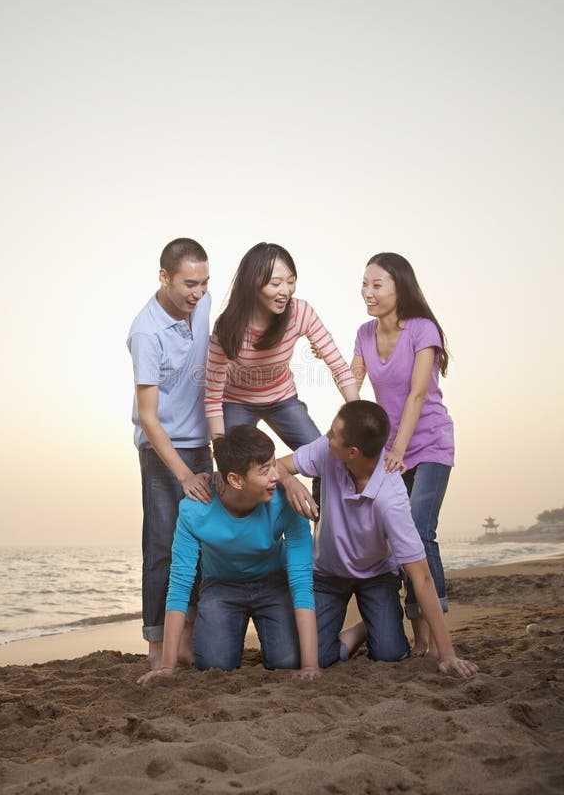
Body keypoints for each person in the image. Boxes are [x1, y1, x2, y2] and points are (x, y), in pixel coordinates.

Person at [278, 401, 477, 678]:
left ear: (353, 452)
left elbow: (421, 577)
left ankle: (373, 623)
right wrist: (290, 482)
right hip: (327, 573)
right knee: (315, 657)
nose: (327, 436)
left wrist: (448, 654)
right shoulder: (326, 450)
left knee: (389, 656)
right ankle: (365, 626)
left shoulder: (391, 498)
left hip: (376, 576)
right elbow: (277, 466)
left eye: (334, 433)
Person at [137, 425, 321, 685]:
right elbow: (179, 585)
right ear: (235, 479)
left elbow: (302, 581)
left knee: (287, 661)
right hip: (221, 588)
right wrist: (167, 666)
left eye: (274, 466)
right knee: (214, 665)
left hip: (272, 583)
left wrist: (310, 665)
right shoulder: (195, 510)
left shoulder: (286, 502)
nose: (275, 476)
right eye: (265, 470)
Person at [350, 252, 455, 657]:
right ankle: (420, 635)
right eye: (364, 284)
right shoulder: (363, 333)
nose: (368, 293)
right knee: (398, 536)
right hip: (389, 451)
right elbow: (352, 383)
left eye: (377, 285)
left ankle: (436, 630)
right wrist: (347, 432)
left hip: (429, 444)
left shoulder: (422, 330)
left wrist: (397, 449)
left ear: (399, 288)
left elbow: (415, 394)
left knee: (419, 529)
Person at [127, 238, 213, 670]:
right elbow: (148, 418)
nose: (197, 293)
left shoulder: (204, 302)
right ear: (164, 277)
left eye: (203, 282)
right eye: (188, 284)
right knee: (162, 546)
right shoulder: (145, 333)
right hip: (163, 451)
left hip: (202, 444)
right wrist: (183, 475)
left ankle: (187, 640)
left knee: (199, 544)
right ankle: (158, 648)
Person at [205, 242, 359, 468]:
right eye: (275, 283)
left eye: (291, 281)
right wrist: (219, 445)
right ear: (252, 285)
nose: (285, 291)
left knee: (326, 459)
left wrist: (359, 415)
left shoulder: (300, 312)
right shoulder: (227, 326)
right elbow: (212, 395)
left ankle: (318, 503)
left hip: (282, 398)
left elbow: (338, 366)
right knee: (235, 468)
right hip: (237, 401)